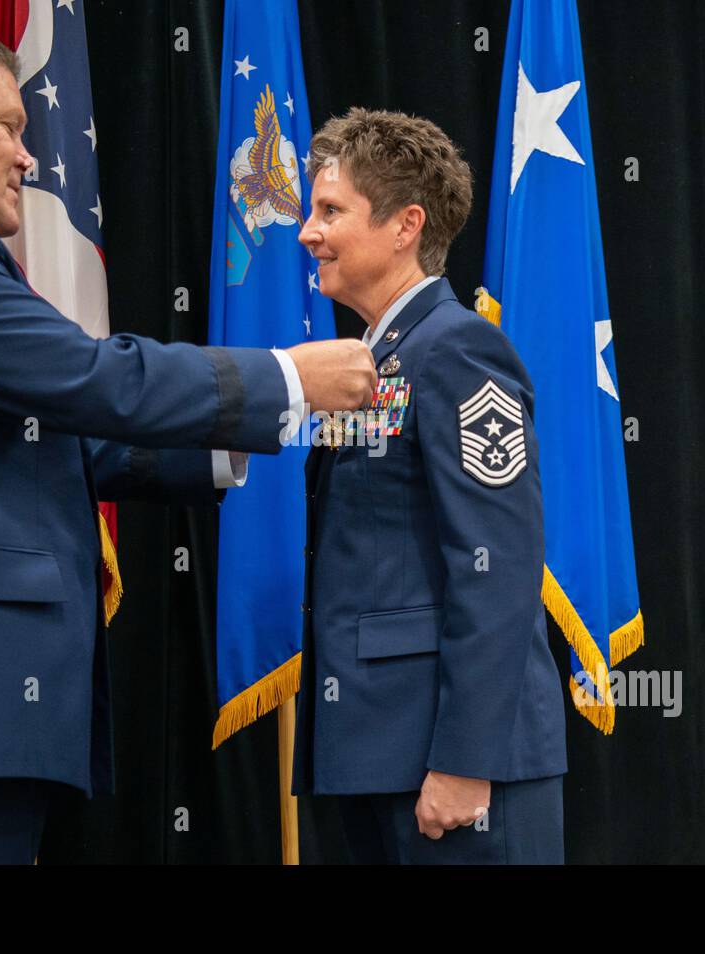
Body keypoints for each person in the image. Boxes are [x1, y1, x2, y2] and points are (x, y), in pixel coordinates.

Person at [0, 7, 375, 864]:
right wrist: (287, 377)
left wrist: (242, 440)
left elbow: (53, 430)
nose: (27, 154)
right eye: (10, 123)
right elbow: (87, 378)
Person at [292, 108, 568, 864]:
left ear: (405, 224)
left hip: (450, 769)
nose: (306, 233)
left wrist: (464, 760)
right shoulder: (374, 358)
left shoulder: (459, 351)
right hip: (370, 756)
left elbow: (499, 565)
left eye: (330, 211)